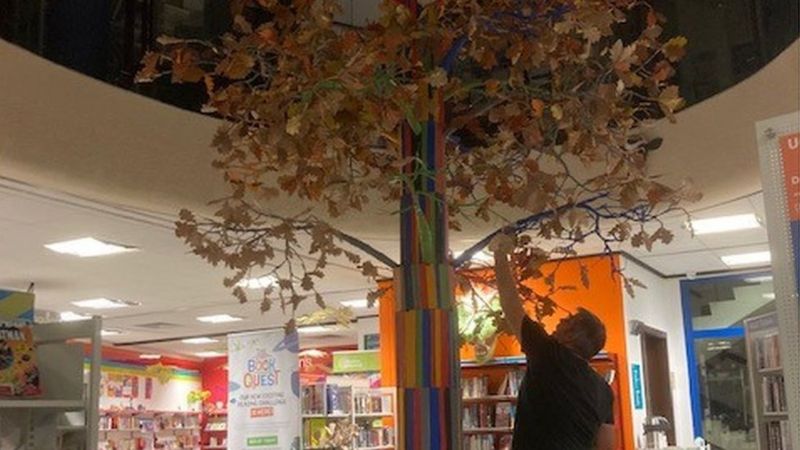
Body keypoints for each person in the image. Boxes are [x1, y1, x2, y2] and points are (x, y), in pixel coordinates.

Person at [491, 234, 615, 450]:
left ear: (574, 335)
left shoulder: (549, 355)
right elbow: (606, 444)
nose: (559, 323)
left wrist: (500, 255)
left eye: (567, 322)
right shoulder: (603, 389)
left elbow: (510, 305)